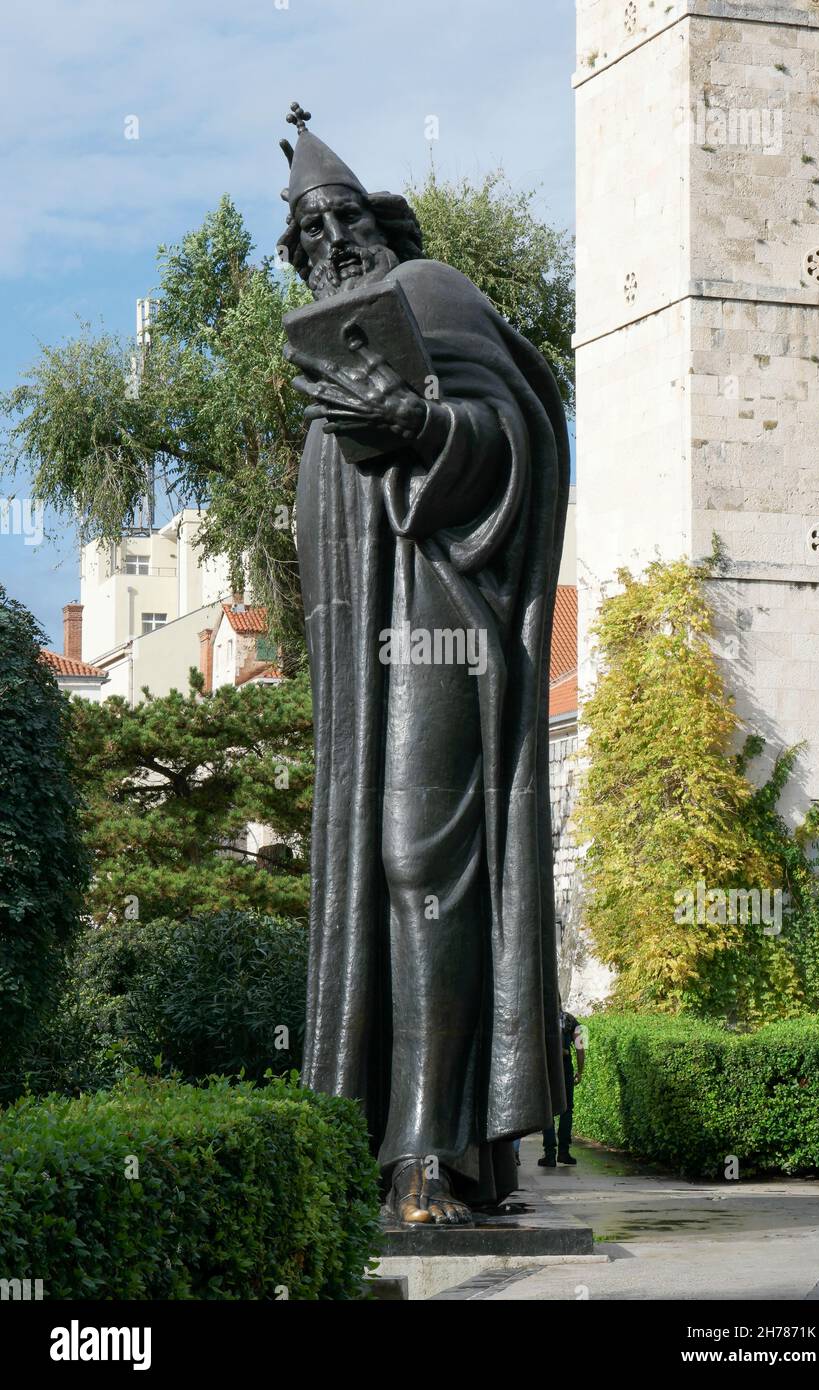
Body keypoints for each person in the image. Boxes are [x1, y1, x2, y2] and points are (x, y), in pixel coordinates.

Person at [277, 104, 570, 1225]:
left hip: (447, 618)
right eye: (311, 237)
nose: (332, 242)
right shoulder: (325, 343)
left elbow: (514, 433)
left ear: (380, 219)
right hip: (367, 657)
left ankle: (426, 1152)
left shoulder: (435, 290)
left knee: (420, 863)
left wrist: (419, 426)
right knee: (378, 872)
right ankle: (421, 1153)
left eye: (344, 217)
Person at [538, 1006, 580, 1167]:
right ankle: (564, 1152)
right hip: (565, 1068)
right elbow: (580, 1047)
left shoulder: (541, 1018)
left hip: (547, 1066)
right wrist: (580, 1071)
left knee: (547, 1109)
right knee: (567, 1108)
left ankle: (549, 1154)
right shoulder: (571, 1020)